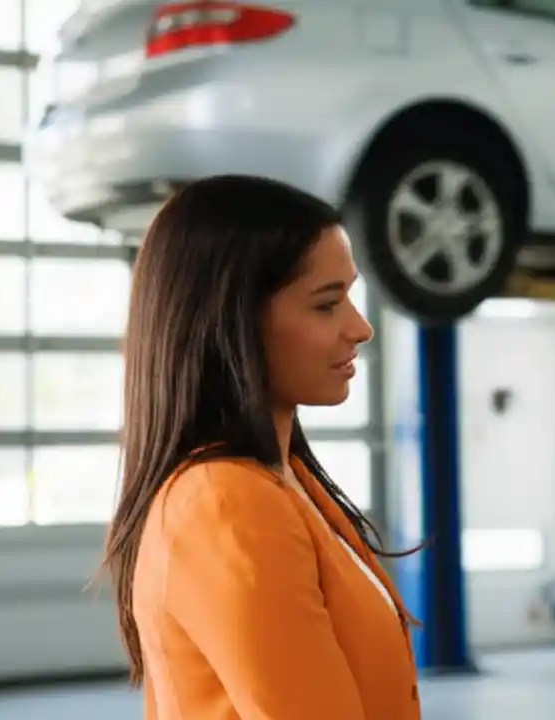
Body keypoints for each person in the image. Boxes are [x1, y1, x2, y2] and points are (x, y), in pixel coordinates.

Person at [101, 175, 421, 719]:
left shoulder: (287, 481)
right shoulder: (227, 503)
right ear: (235, 322)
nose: (361, 328)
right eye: (326, 305)